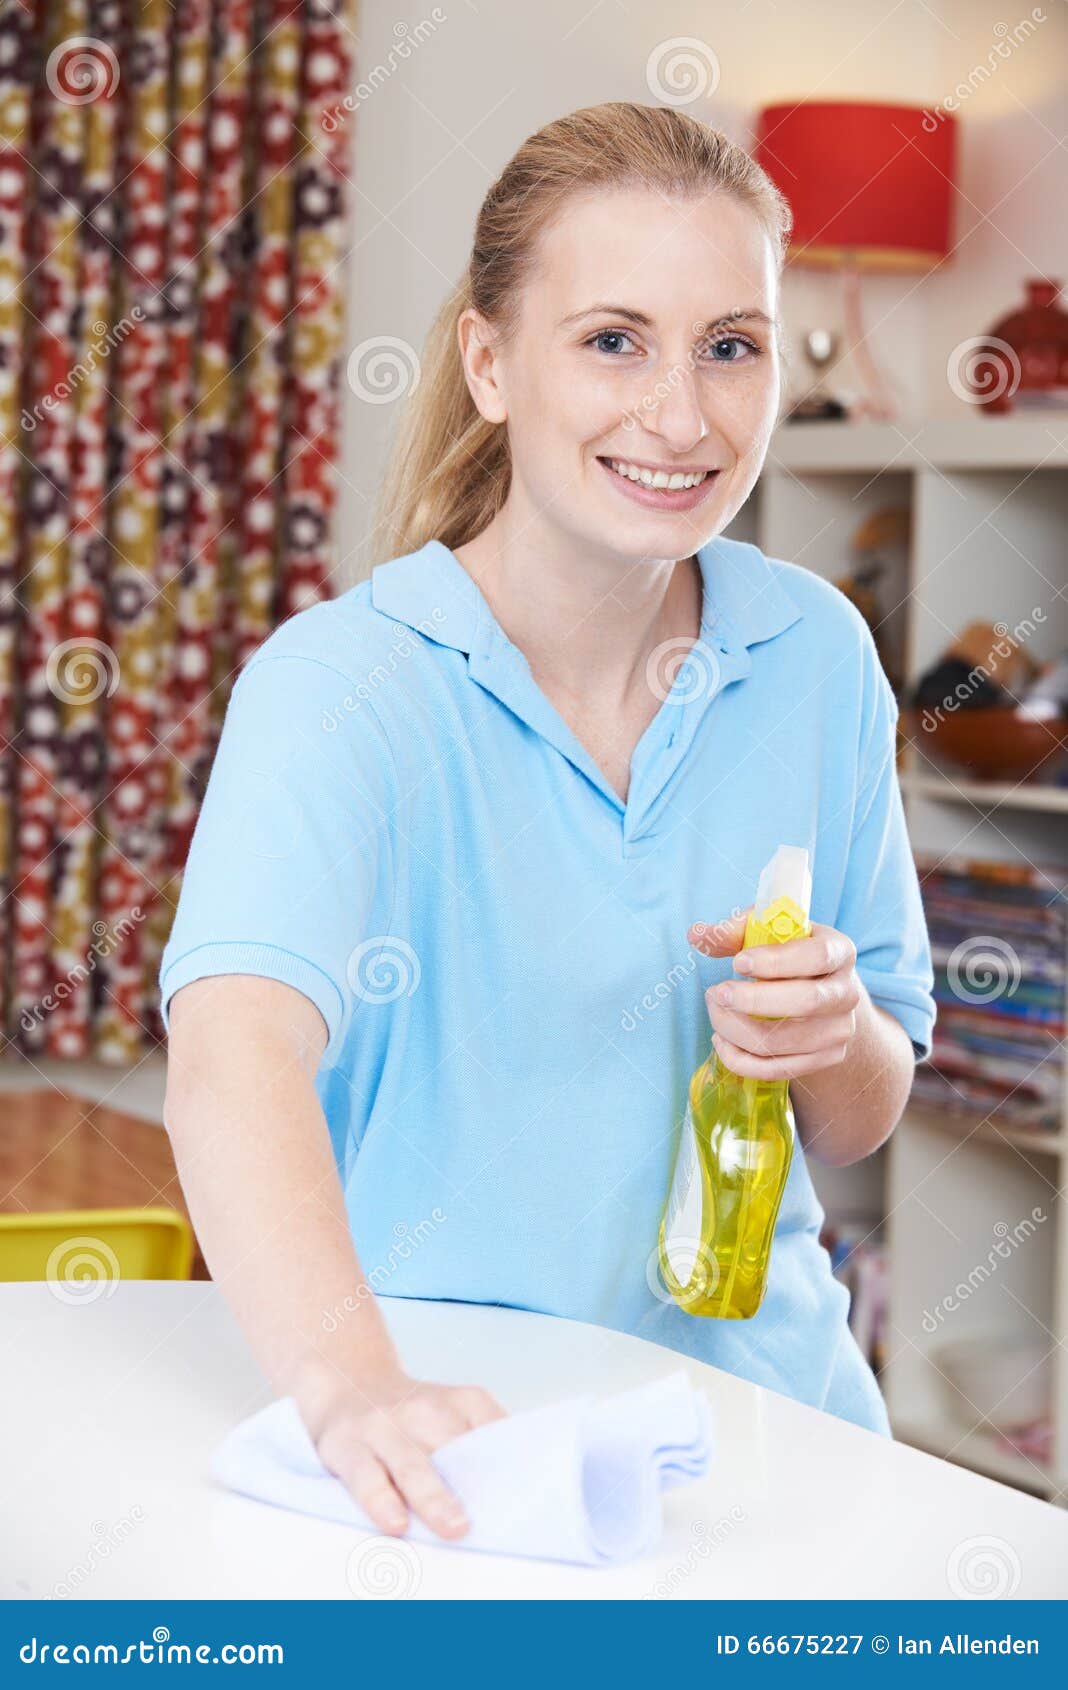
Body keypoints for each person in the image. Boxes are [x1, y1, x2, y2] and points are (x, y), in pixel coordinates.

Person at [160, 103, 936, 1544]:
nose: (683, 417)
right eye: (614, 340)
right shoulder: (341, 689)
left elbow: (866, 1109)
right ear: (488, 362)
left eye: (731, 346)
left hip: (775, 1444)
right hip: (460, 1445)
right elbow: (230, 1057)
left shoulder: (818, 656)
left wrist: (833, 1031)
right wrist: (352, 1386)